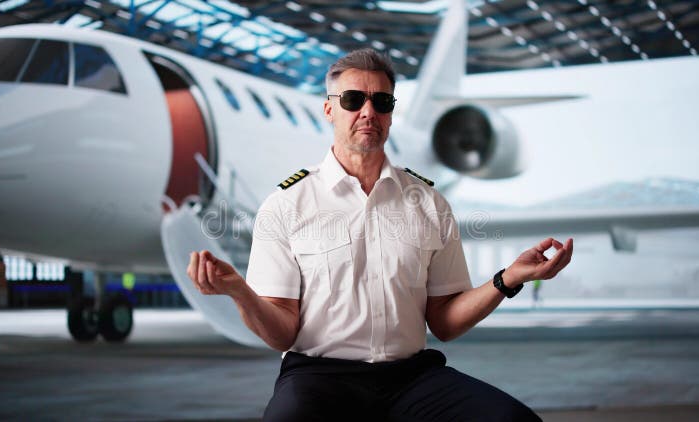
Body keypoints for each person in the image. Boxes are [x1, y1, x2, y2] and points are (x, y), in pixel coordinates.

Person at [187, 48, 573, 421]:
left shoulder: (429, 203)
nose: (367, 112)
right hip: (319, 378)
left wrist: (508, 279)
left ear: (391, 115)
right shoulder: (286, 205)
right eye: (353, 100)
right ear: (329, 109)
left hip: (412, 378)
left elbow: (444, 322)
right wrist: (240, 291)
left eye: (382, 102)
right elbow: (281, 333)